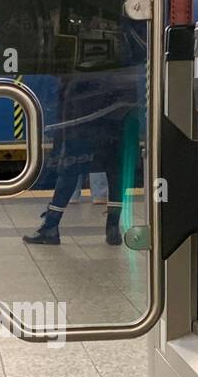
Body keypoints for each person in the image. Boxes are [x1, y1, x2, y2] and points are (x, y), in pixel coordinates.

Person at [23, 32, 143, 247]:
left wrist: (61, 136)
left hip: (82, 126)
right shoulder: (122, 53)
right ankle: (113, 227)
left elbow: (68, 99)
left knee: (69, 172)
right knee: (115, 172)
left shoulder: (76, 62)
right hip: (115, 125)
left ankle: (51, 225)